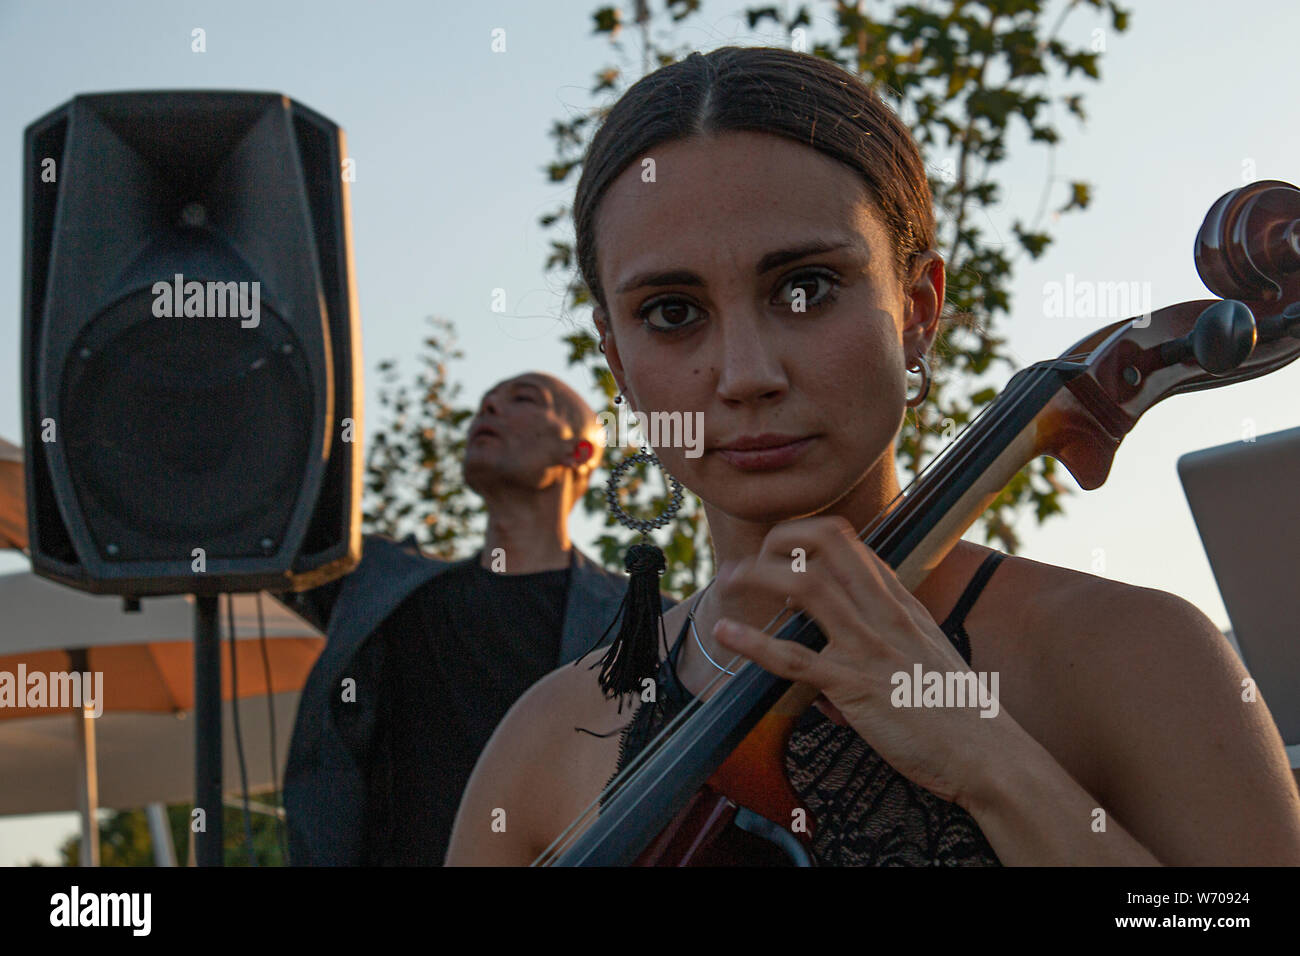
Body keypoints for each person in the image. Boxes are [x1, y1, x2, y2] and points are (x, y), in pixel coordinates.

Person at [446, 46, 1300, 866]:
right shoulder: (547, 735)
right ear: (618, 361)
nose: (747, 375)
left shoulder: (1134, 653)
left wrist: (991, 762)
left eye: (806, 288)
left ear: (919, 310)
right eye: (672, 313)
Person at [278, 371, 660, 865]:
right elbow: (275, 498)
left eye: (522, 398)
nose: (489, 410)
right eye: (484, 402)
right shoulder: (377, 584)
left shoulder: (643, 622)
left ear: (580, 453)